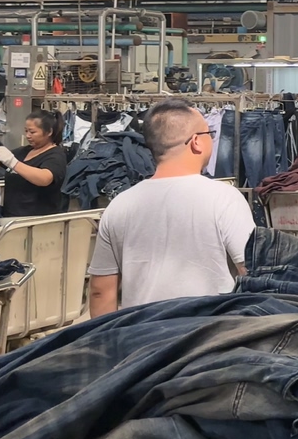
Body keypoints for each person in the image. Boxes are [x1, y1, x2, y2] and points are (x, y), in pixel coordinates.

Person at [87, 99, 257, 317]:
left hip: (142, 338)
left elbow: (101, 290)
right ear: (196, 142)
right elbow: (249, 272)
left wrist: (108, 343)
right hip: (209, 337)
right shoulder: (224, 198)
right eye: (210, 134)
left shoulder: (120, 204)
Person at [0, 111, 68, 218]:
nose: (28, 136)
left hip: (37, 222)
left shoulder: (56, 155)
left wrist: (14, 163)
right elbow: (0, 160)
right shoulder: (23, 152)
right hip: (11, 218)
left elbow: (44, 178)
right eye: (26, 131)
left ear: (49, 132)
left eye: (32, 132)